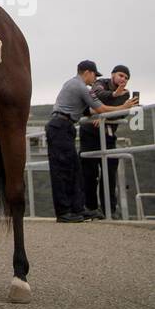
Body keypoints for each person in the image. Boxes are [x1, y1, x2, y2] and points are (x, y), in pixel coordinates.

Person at [45, 61, 136, 222]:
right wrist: (123, 106)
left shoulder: (72, 84)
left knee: (74, 170)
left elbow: (89, 110)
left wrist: (101, 115)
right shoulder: (81, 87)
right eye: (94, 74)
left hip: (64, 126)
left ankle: (77, 209)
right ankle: (64, 212)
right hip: (61, 126)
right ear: (87, 72)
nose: (95, 79)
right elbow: (100, 108)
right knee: (62, 171)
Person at [79, 64, 135, 218]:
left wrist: (104, 116)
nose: (123, 79)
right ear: (112, 75)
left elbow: (124, 113)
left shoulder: (125, 93)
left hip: (108, 133)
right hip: (90, 133)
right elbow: (97, 96)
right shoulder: (100, 84)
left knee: (109, 173)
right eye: (121, 75)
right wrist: (114, 96)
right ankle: (90, 209)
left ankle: (109, 210)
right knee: (89, 173)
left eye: (126, 78)